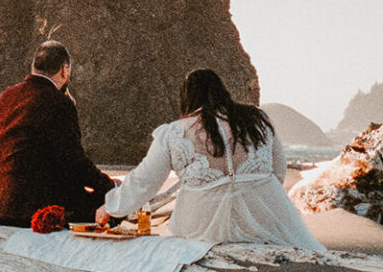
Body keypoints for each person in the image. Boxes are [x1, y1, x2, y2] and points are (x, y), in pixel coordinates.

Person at [96, 68, 326, 253]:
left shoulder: (175, 132)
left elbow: (145, 180)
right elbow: (278, 170)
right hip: (267, 216)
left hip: (202, 223)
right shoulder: (258, 120)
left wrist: (112, 207)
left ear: (186, 98)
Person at [0, 40, 116, 226]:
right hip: (38, 209)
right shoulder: (58, 103)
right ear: (64, 70)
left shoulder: (6, 96)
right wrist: (110, 186)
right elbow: (75, 164)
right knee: (112, 204)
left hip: (2, 207)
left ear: (34, 67)